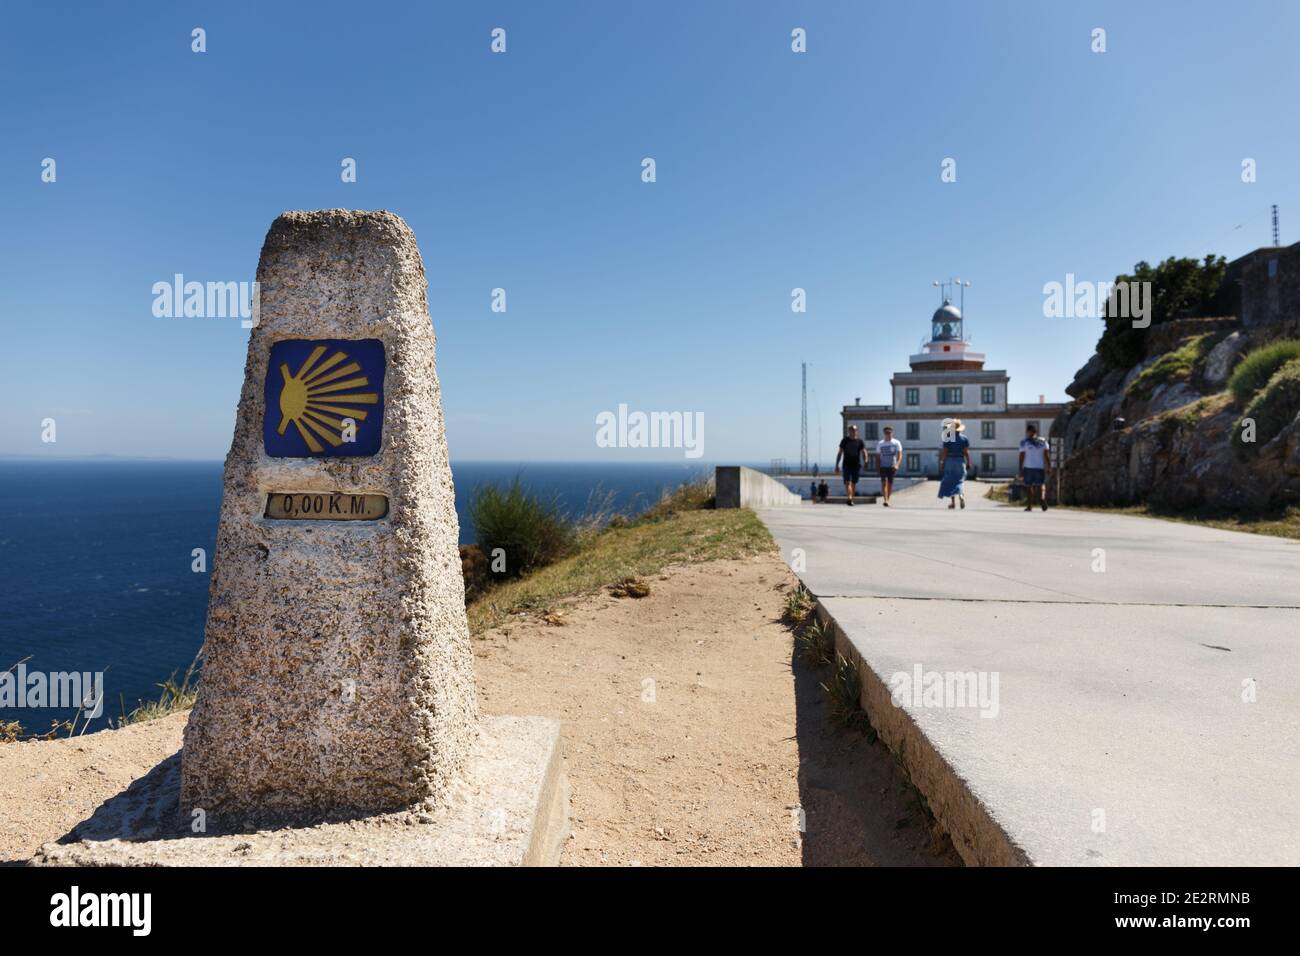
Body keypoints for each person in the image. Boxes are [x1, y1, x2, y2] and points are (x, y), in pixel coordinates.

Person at [937, 418, 971, 510]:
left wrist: (942, 463)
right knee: (959, 481)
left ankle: (953, 503)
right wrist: (969, 463)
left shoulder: (948, 439)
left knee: (951, 481)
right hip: (960, 461)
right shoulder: (964, 439)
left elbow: (945, 452)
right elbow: (966, 453)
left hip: (950, 461)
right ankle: (961, 495)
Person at [1018, 424, 1052, 512]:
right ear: (1035, 432)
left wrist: (1020, 469)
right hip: (1039, 467)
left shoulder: (1024, 442)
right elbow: (1046, 455)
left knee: (1029, 487)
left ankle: (1029, 506)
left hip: (1028, 467)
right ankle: (1042, 498)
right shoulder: (1043, 441)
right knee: (1041, 485)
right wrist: (1049, 466)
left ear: (1028, 432)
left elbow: (1021, 456)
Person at [835, 425, 867, 506]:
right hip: (846, 465)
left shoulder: (860, 441)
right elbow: (840, 453)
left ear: (857, 431)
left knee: (853, 483)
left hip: (856, 465)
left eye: (854, 430)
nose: (853, 431)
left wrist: (866, 461)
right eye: (851, 430)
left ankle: (851, 498)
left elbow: (864, 452)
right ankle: (849, 498)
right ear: (848, 431)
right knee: (847, 482)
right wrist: (836, 465)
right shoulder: (844, 441)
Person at [876, 426, 903, 507]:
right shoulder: (880, 444)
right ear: (884, 433)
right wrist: (877, 468)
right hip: (883, 466)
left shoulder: (896, 442)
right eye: (887, 432)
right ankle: (885, 500)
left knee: (890, 483)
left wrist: (897, 464)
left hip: (892, 466)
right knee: (884, 482)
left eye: (890, 432)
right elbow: (877, 457)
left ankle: (888, 498)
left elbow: (900, 455)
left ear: (892, 433)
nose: (888, 434)